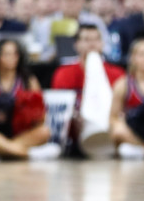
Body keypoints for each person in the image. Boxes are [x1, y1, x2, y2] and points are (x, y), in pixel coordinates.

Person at [0, 38, 61, 160]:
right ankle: (24, 153)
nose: (12, 58)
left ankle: (0, 151)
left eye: (15, 54)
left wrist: (27, 116)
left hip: (20, 132)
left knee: (44, 132)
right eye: (7, 54)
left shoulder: (28, 81)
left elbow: (42, 116)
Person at [50, 24, 125, 153]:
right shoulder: (63, 73)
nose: (92, 44)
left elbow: (123, 106)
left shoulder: (117, 74)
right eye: (86, 40)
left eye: (96, 39)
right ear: (76, 45)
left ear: (102, 43)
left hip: (108, 127)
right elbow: (59, 107)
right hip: (75, 129)